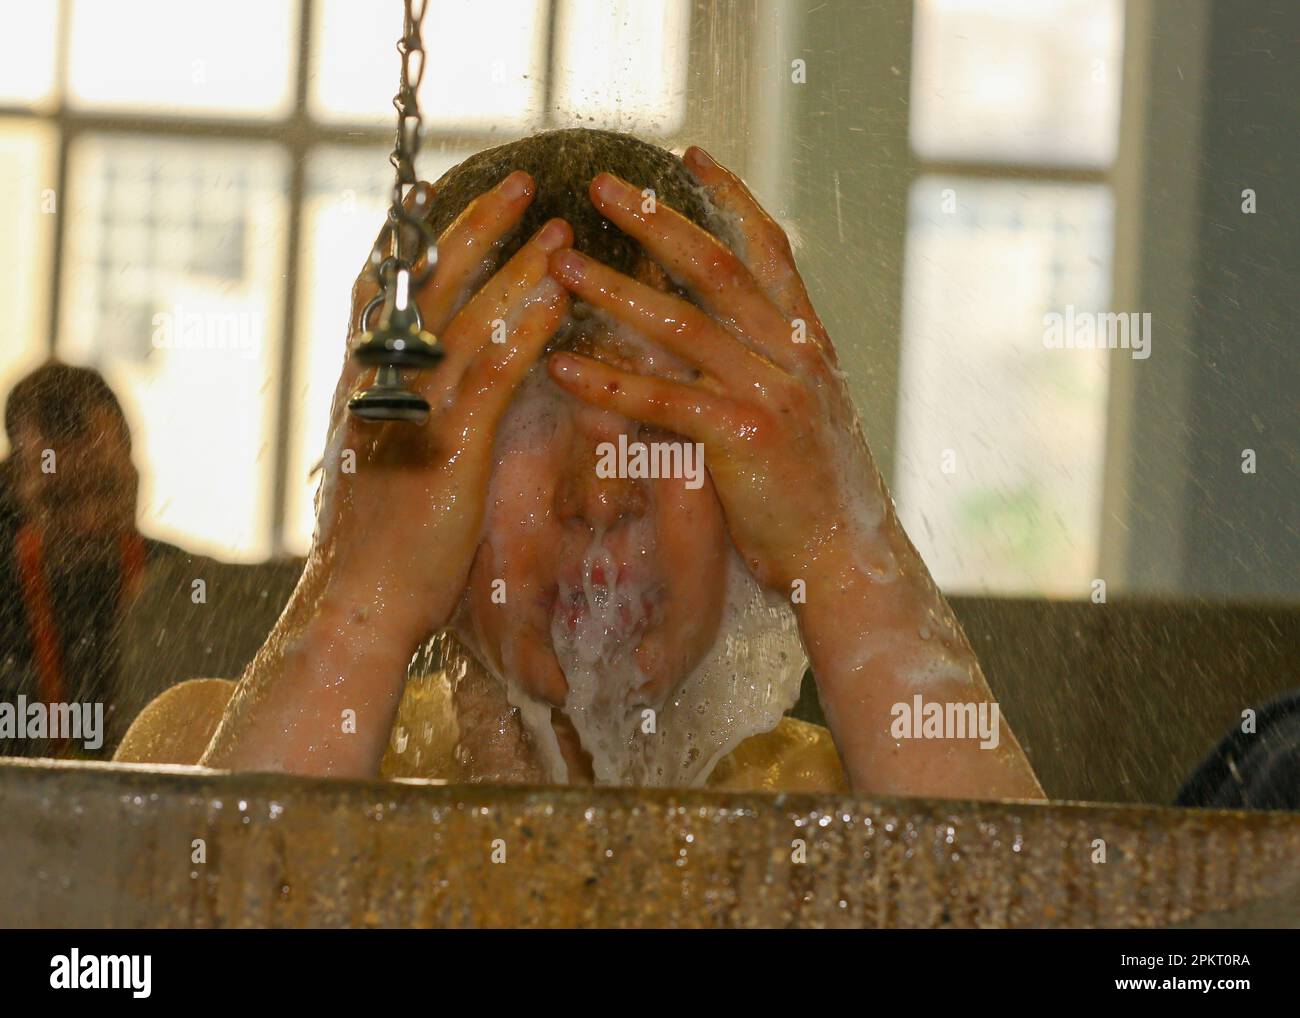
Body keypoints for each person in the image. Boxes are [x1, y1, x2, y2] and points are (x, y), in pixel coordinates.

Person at [117, 129, 1044, 799]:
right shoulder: (202, 751)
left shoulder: (839, 814)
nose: (601, 494)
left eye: (668, 421)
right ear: (408, 490)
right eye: (521, 418)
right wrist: (357, 599)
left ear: (760, 497)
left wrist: (844, 550)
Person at [0, 363, 186, 756]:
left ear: (134, 470)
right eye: (61, 500)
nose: (89, 523)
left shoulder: (188, 586)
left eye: (105, 489)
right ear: (15, 485)